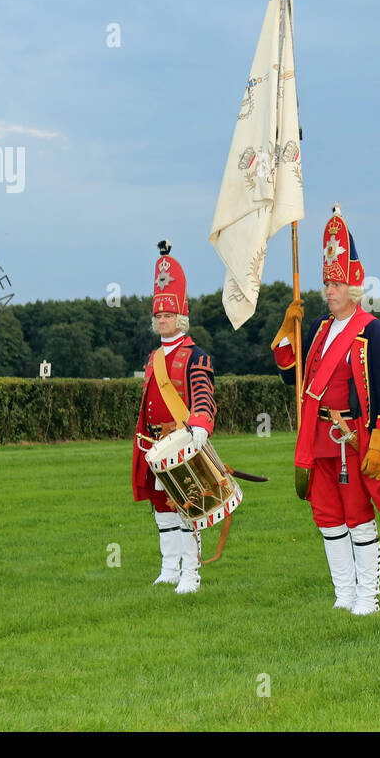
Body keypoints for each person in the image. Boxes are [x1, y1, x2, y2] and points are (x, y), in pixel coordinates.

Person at [272, 206, 380, 616]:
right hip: (317, 438)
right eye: (326, 283)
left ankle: (367, 597)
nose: (328, 291)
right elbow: (292, 376)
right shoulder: (315, 328)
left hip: (353, 440)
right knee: (328, 517)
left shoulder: (375, 332)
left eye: (336, 283)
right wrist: (287, 328)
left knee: (357, 517)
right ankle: (343, 594)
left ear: (353, 286)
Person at [131, 240, 216, 595]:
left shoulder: (195, 355)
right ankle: (168, 569)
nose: (162, 321)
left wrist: (199, 427)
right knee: (162, 511)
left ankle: (190, 574)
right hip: (154, 446)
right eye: (158, 316)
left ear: (180, 317)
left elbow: (203, 398)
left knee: (187, 509)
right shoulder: (153, 357)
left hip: (182, 444)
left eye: (167, 316)